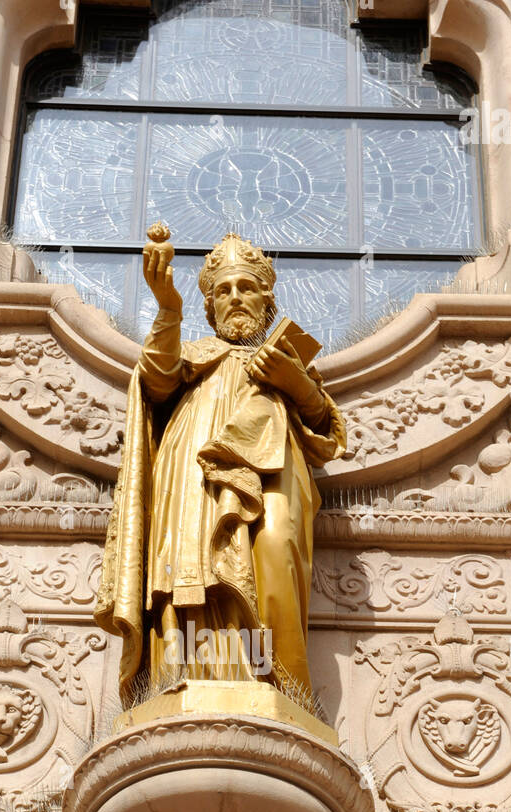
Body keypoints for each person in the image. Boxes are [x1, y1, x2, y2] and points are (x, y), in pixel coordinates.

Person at [95, 226, 345, 706]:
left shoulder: (288, 361)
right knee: (191, 567)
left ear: (266, 301)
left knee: (275, 547)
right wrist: (169, 309)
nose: (235, 298)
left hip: (274, 470)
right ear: (209, 307)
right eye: (223, 291)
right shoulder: (194, 357)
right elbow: (158, 379)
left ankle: (281, 692)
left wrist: (297, 384)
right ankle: (184, 676)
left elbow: (326, 436)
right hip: (193, 470)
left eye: (247, 287)